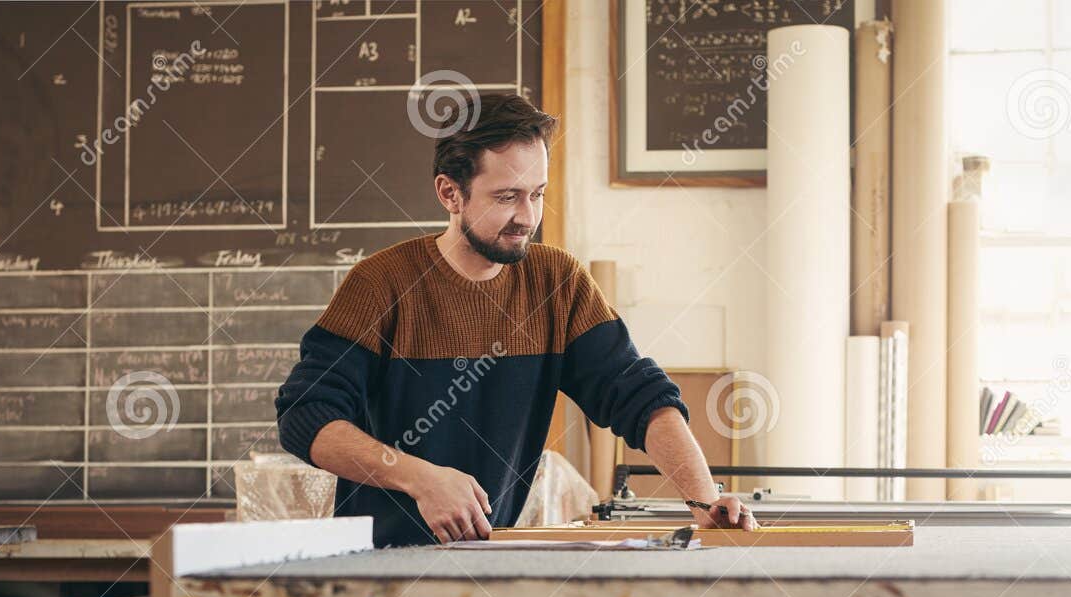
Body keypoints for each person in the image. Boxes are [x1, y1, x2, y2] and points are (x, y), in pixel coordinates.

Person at [274, 90, 756, 550]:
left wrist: (704, 498)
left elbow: (641, 396)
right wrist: (420, 478)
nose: (528, 216)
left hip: (489, 562)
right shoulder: (379, 284)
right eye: (507, 196)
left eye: (538, 193)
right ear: (449, 193)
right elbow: (306, 416)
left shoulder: (557, 282)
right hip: (376, 579)